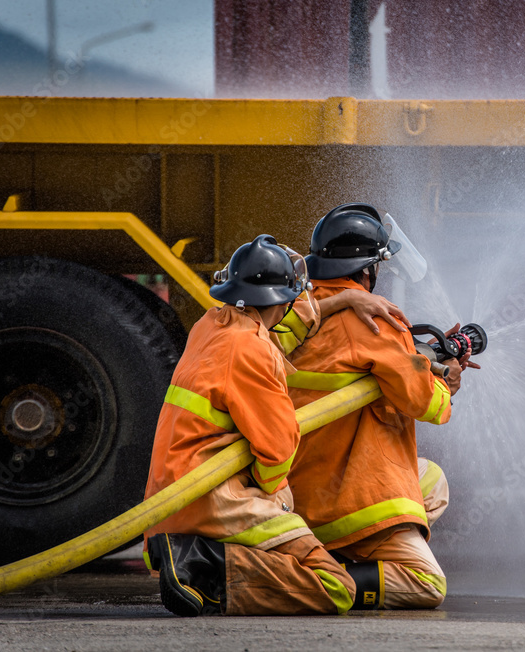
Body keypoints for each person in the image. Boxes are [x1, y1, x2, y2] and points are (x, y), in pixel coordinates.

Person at [143, 235, 355, 617]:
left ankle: (197, 566)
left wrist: (345, 300)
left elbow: (276, 335)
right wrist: (276, 499)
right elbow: (276, 452)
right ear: (283, 300)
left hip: (168, 506)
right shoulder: (253, 350)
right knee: (336, 586)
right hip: (212, 503)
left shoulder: (209, 326)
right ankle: (201, 561)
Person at [286, 203, 472, 610]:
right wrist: (448, 382)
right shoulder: (373, 321)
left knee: (432, 482)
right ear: (367, 270)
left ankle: (332, 550)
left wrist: (421, 356)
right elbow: (426, 404)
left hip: (295, 485)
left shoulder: (295, 309)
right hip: (345, 494)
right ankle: (334, 572)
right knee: (427, 585)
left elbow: (364, 364)